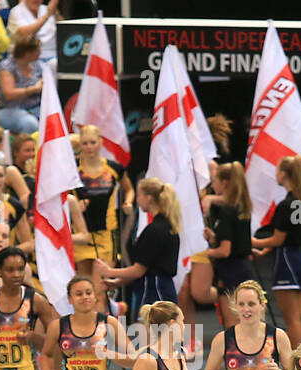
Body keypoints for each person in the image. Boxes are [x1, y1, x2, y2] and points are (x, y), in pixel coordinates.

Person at [252, 154, 301, 347]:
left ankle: (299, 361)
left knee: (292, 319)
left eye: (278, 170)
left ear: (284, 174)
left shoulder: (286, 205)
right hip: (297, 256)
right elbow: (288, 237)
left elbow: (278, 238)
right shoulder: (300, 201)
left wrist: (253, 242)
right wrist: (266, 250)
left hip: (286, 260)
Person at [95, 177, 181, 320]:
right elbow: (146, 267)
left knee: (153, 336)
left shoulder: (154, 230)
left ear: (149, 198)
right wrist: (117, 282)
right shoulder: (167, 226)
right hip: (162, 287)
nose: (137, 199)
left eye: (139, 195)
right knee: (163, 336)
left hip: (153, 290)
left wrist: (109, 271)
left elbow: (138, 270)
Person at [73, 124, 132, 288]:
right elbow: (62, 197)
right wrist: (73, 204)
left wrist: (128, 202)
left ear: (100, 143)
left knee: (99, 289)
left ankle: (111, 311)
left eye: (92, 142)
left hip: (106, 234)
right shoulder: (73, 169)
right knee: (84, 288)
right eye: (85, 143)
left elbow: (129, 189)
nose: (89, 147)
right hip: (81, 234)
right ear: (80, 145)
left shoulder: (114, 168)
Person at [200, 162, 254, 325]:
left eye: (214, 181)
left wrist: (204, 254)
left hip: (231, 271)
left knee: (232, 324)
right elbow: (235, 237)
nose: (212, 185)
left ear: (224, 183)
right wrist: (215, 238)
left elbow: (224, 251)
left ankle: (233, 351)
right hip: (243, 268)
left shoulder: (226, 211)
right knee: (245, 323)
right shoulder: (242, 206)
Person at [0, 34, 43, 133]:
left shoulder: (37, 65)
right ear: (27, 53)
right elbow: (9, 94)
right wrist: (34, 89)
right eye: (37, 50)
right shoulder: (7, 67)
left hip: (35, 107)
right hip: (8, 109)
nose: (40, 53)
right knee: (30, 124)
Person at [6, 0, 59, 65]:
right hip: (26, 57)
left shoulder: (46, 9)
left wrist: (56, 13)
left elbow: (62, 29)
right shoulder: (16, 11)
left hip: (52, 55)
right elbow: (24, 32)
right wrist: (47, 15)